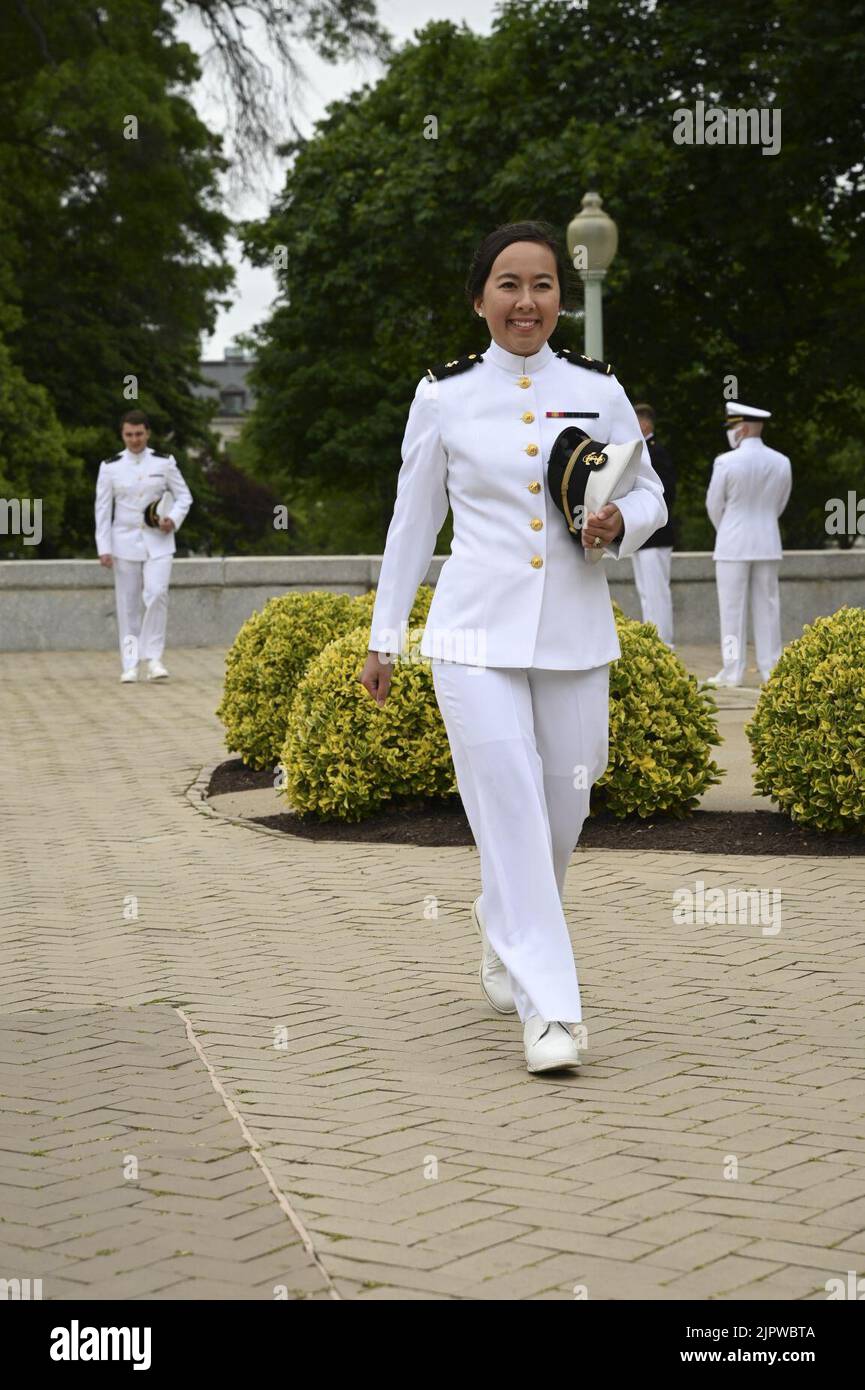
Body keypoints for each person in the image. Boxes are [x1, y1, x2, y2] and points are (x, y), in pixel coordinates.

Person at [358, 221, 667, 1076]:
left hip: (572, 633)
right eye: (507, 285)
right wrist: (387, 638)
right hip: (470, 638)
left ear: (559, 300)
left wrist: (620, 522)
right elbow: (411, 524)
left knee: (562, 815)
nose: (525, 301)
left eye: (541, 286)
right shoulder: (443, 397)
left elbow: (650, 494)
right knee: (514, 811)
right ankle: (553, 1012)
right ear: (478, 299)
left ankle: (503, 923)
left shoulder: (595, 387)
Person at [95, 409, 193, 682]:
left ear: (147, 433)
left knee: (157, 593)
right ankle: (130, 664)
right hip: (123, 542)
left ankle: (153, 658)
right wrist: (103, 547)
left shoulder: (164, 463)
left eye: (139, 434)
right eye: (129, 434)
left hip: (159, 541)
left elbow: (184, 497)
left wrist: (172, 519)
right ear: (122, 435)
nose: (134, 439)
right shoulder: (110, 467)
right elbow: (102, 509)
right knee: (128, 606)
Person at [705, 400, 792, 687]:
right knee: (768, 608)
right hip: (767, 541)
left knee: (731, 610)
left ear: (741, 428)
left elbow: (714, 505)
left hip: (732, 543)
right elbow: (780, 504)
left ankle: (732, 671)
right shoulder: (781, 461)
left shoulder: (725, 462)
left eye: (732, 426)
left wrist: (728, 528)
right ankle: (772, 670)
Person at [630, 402, 676, 647]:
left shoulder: (656, 452)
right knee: (646, 593)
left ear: (645, 424)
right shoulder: (643, 450)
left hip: (655, 534)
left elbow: (665, 494)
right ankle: (653, 642)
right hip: (641, 534)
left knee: (657, 593)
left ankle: (664, 644)